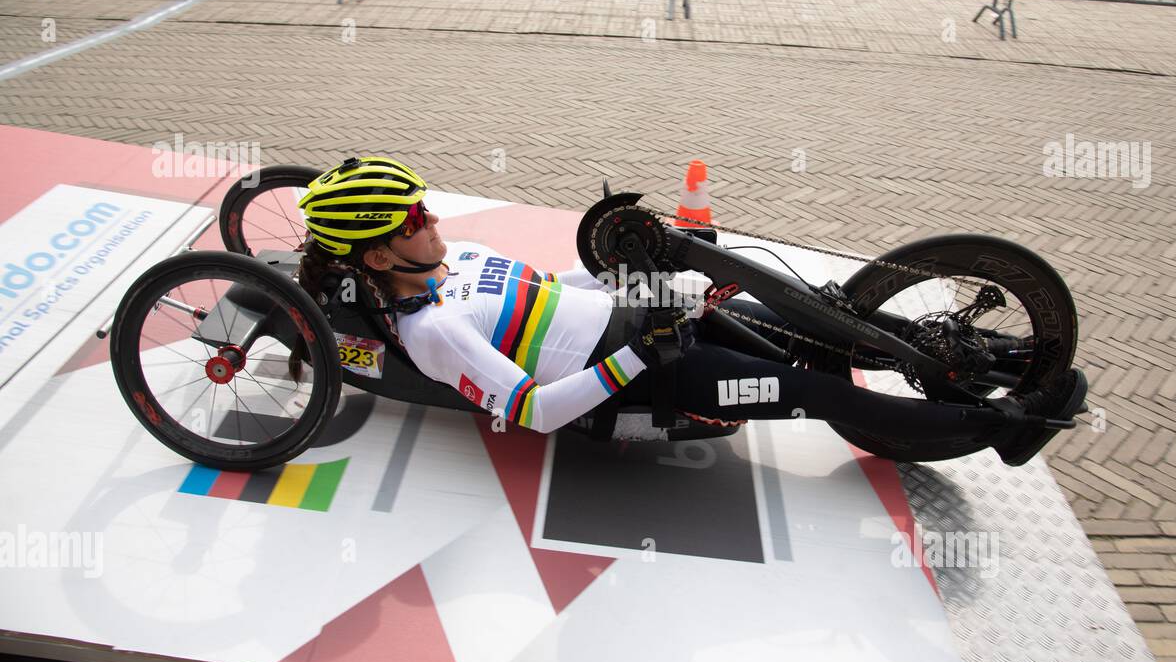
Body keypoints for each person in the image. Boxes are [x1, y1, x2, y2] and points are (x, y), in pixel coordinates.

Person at [293, 156, 1087, 465]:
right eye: (412, 219)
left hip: (645, 321)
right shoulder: (433, 331)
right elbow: (533, 413)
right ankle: (1006, 427)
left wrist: (629, 278)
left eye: (423, 204)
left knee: (820, 323)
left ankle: (1002, 359)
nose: (431, 217)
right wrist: (643, 353)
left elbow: (552, 294)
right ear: (377, 257)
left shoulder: (451, 258)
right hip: (652, 375)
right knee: (815, 391)